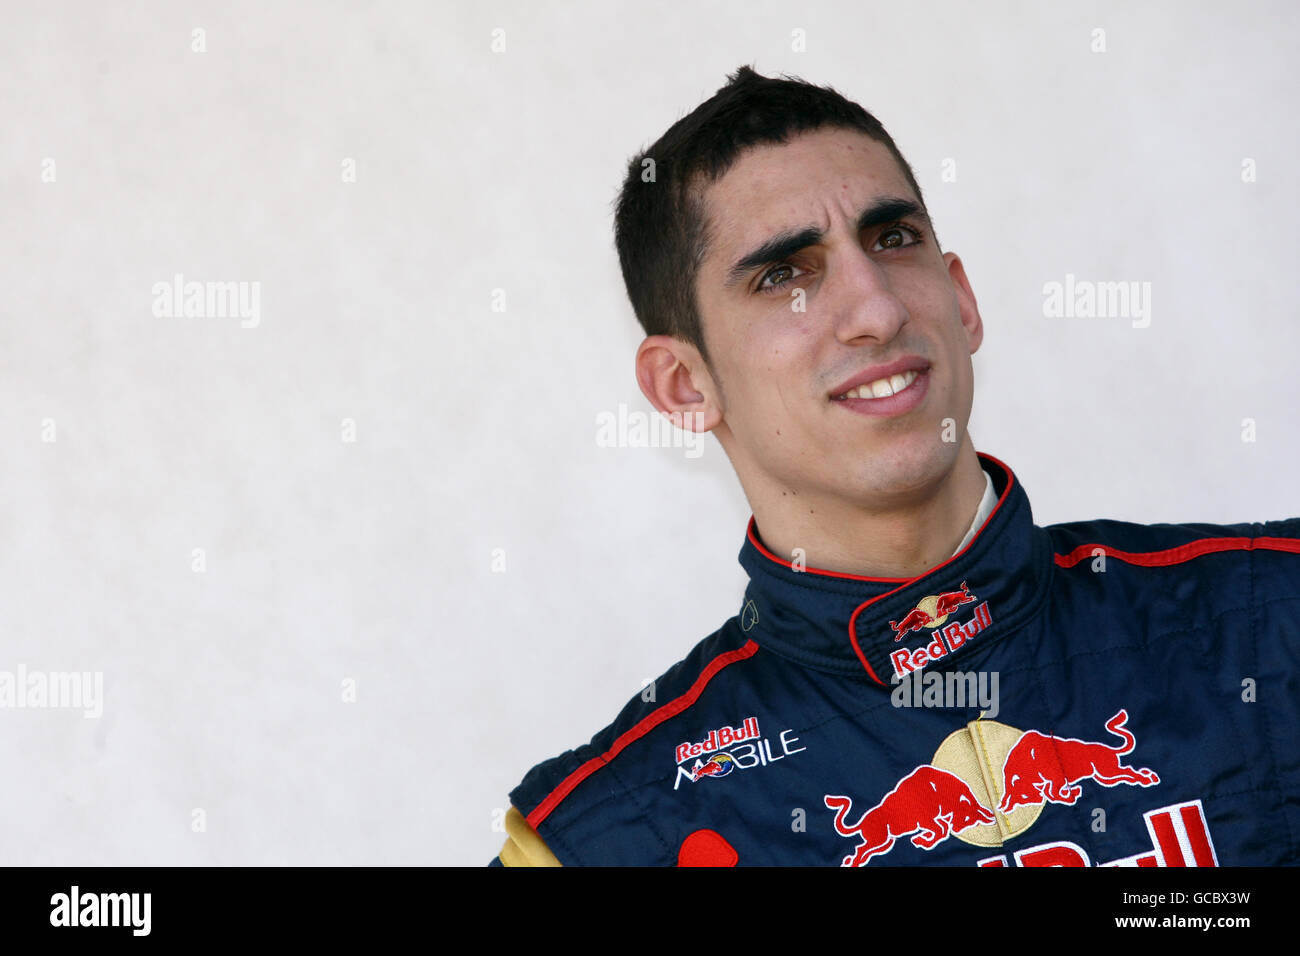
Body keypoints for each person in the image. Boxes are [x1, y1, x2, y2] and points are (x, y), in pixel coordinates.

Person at [490, 65, 1300, 867]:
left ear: (963, 302)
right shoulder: (618, 833)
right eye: (784, 275)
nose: (877, 309)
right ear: (685, 385)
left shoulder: (1271, 619)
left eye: (892, 239)